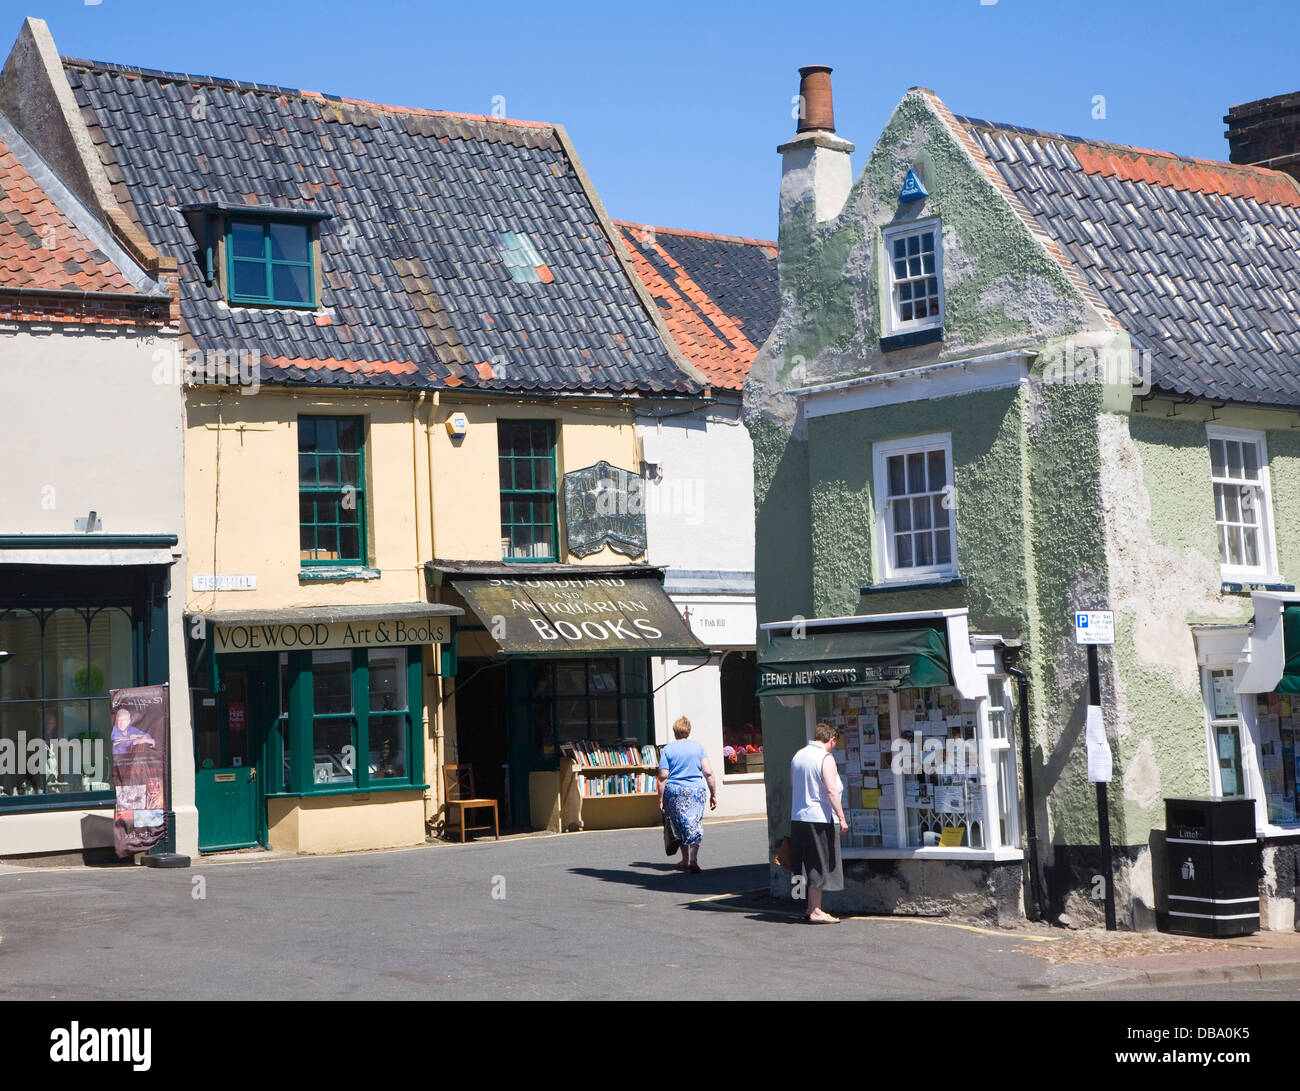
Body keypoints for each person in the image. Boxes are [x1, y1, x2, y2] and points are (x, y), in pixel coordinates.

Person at [790, 721, 848, 923]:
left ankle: (809, 907)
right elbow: (831, 790)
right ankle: (816, 910)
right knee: (820, 862)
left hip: (798, 817)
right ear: (831, 739)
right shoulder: (825, 757)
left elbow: (793, 784)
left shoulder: (798, 756)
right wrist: (841, 817)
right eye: (835, 742)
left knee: (805, 863)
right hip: (819, 817)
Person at [657, 716, 716, 873]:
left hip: (675, 790)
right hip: (696, 791)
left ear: (674, 731)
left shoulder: (667, 750)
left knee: (679, 824)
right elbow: (708, 773)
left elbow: (663, 776)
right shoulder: (698, 748)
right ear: (688, 731)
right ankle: (693, 860)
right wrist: (713, 794)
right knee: (694, 823)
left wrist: (661, 798)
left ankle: (684, 860)